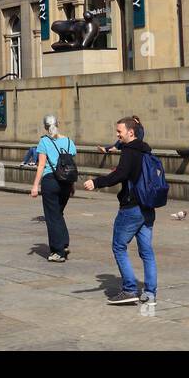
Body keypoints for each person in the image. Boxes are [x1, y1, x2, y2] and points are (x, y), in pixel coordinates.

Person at [84, 116, 157, 306]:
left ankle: (129, 289)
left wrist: (96, 182)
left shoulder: (129, 151)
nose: (117, 135)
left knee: (119, 246)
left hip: (131, 207)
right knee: (147, 252)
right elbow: (133, 173)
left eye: (119, 132)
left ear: (130, 132)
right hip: (148, 207)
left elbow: (121, 175)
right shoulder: (146, 150)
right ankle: (150, 294)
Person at [29, 114, 76, 262]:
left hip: (51, 181)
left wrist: (35, 185)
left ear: (45, 127)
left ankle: (58, 251)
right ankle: (64, 243)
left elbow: (41, 165)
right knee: (58, 213)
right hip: (67, 183)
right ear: (58, 123)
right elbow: (70, 165)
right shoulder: (69, 141)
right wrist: (72, 184)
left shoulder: (44, 141)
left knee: (52, 216)